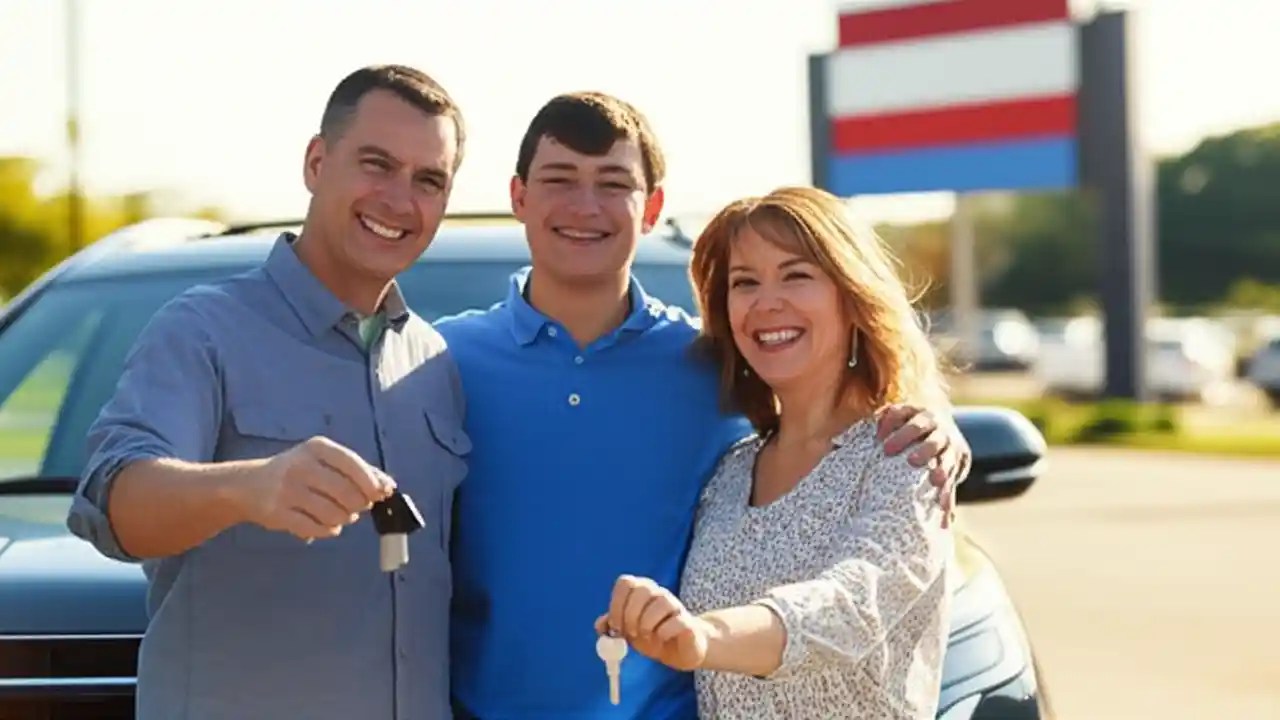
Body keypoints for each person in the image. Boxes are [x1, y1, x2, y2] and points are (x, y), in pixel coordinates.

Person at [436, 92, 969, 719]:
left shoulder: (711, 368)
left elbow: (861, 592)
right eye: (745, 283)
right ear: (519, 196)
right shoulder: (439, 361)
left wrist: (937, 426)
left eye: (613, 182)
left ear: (652, 207)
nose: (586, 206)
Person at [66, 65, 469, 720]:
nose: (401, 199)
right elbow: (111, 504)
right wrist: (247, 487)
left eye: (429, 180)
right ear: (317, 161)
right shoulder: (202, 331)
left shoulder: (436, 362)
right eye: (377, 164)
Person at [598, 186, 955, 719]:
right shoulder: (731, 470)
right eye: (745, 283)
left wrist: (701, 636)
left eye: (796, 275)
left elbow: (854, 605)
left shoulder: (904, 454)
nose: (767, 303)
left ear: (852, 295)